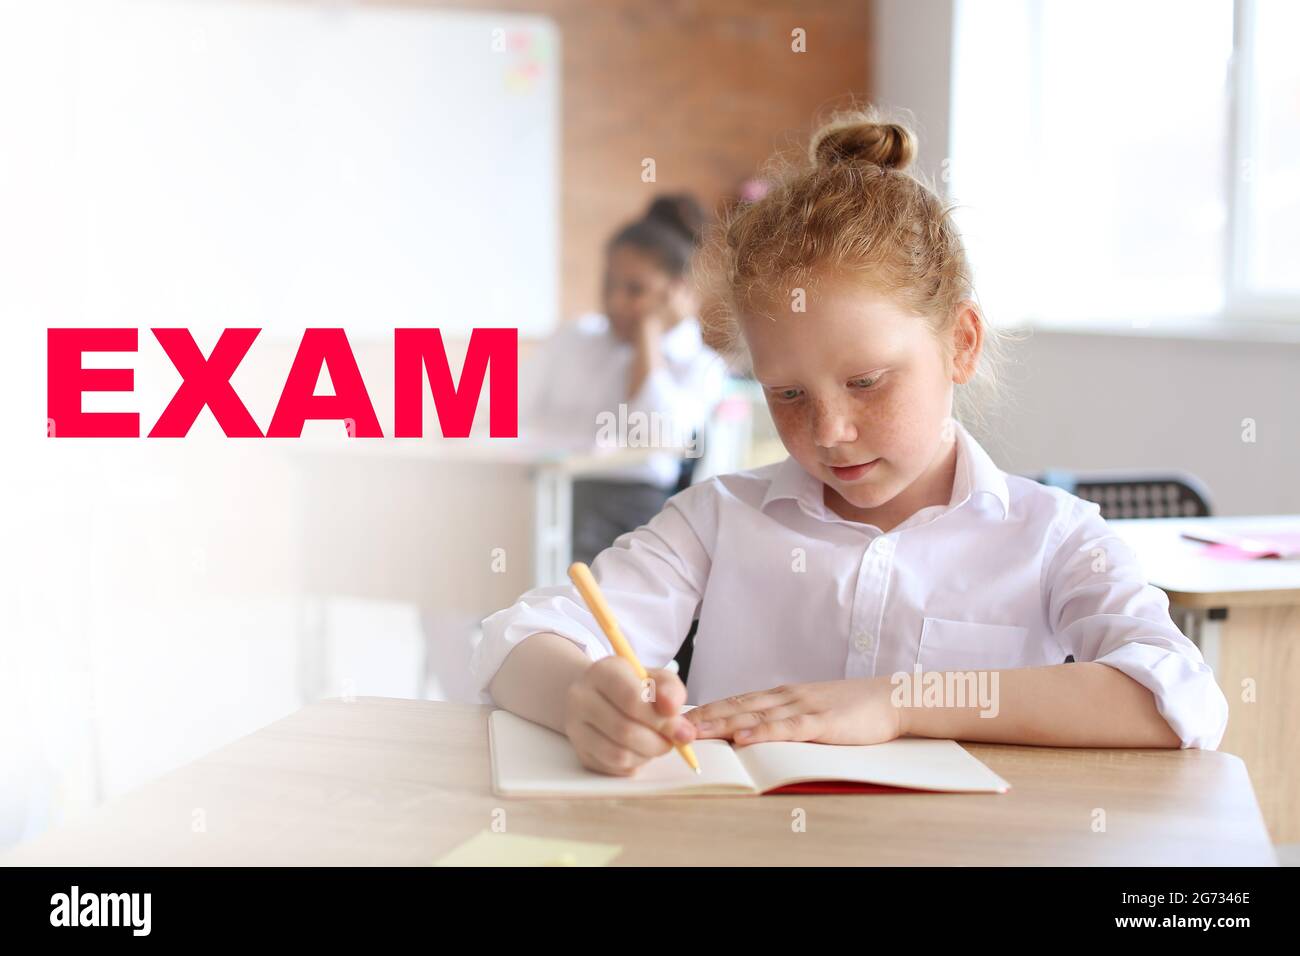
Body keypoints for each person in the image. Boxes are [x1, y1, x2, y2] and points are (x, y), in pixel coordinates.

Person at [475, 108, 1228, 776]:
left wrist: (900, 703)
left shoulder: (1053, 538)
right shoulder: (718, 519)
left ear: (960, 344)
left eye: (867, 381)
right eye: (788, 395)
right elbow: (513, 642)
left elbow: (1178, 695)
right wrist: (584, 694)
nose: (829, 432)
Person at [518, 194, 728, 565]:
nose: (616, 301)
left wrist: (649, 331)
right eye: (609, 284)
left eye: (635, 290)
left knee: (558, 581)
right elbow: (507, 407)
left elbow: (652, 430)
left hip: (628, 504)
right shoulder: (575, 337)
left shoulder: (700, 365)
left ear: (677, 291)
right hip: (540, 487)